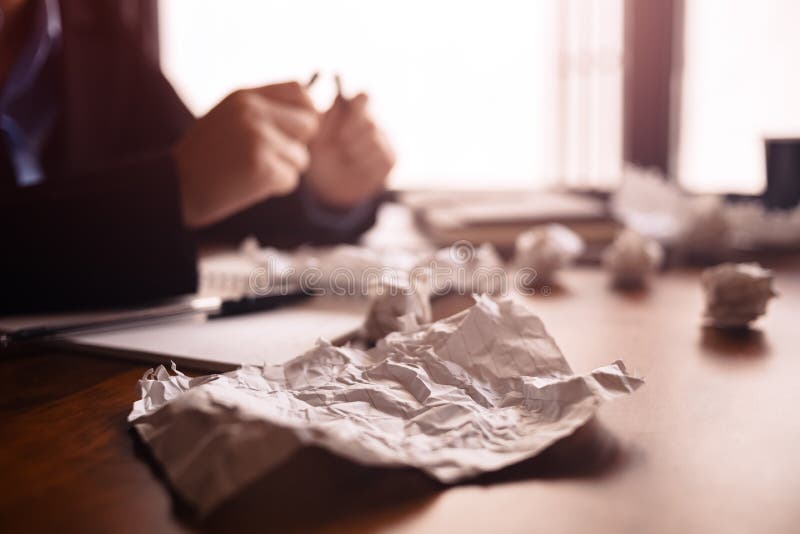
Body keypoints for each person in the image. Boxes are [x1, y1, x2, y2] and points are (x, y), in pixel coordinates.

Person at [0, 0, 394, 312]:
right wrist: (173, 189)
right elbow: (175, 188)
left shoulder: (91, 16)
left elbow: (202, 184)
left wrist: (318, 187)